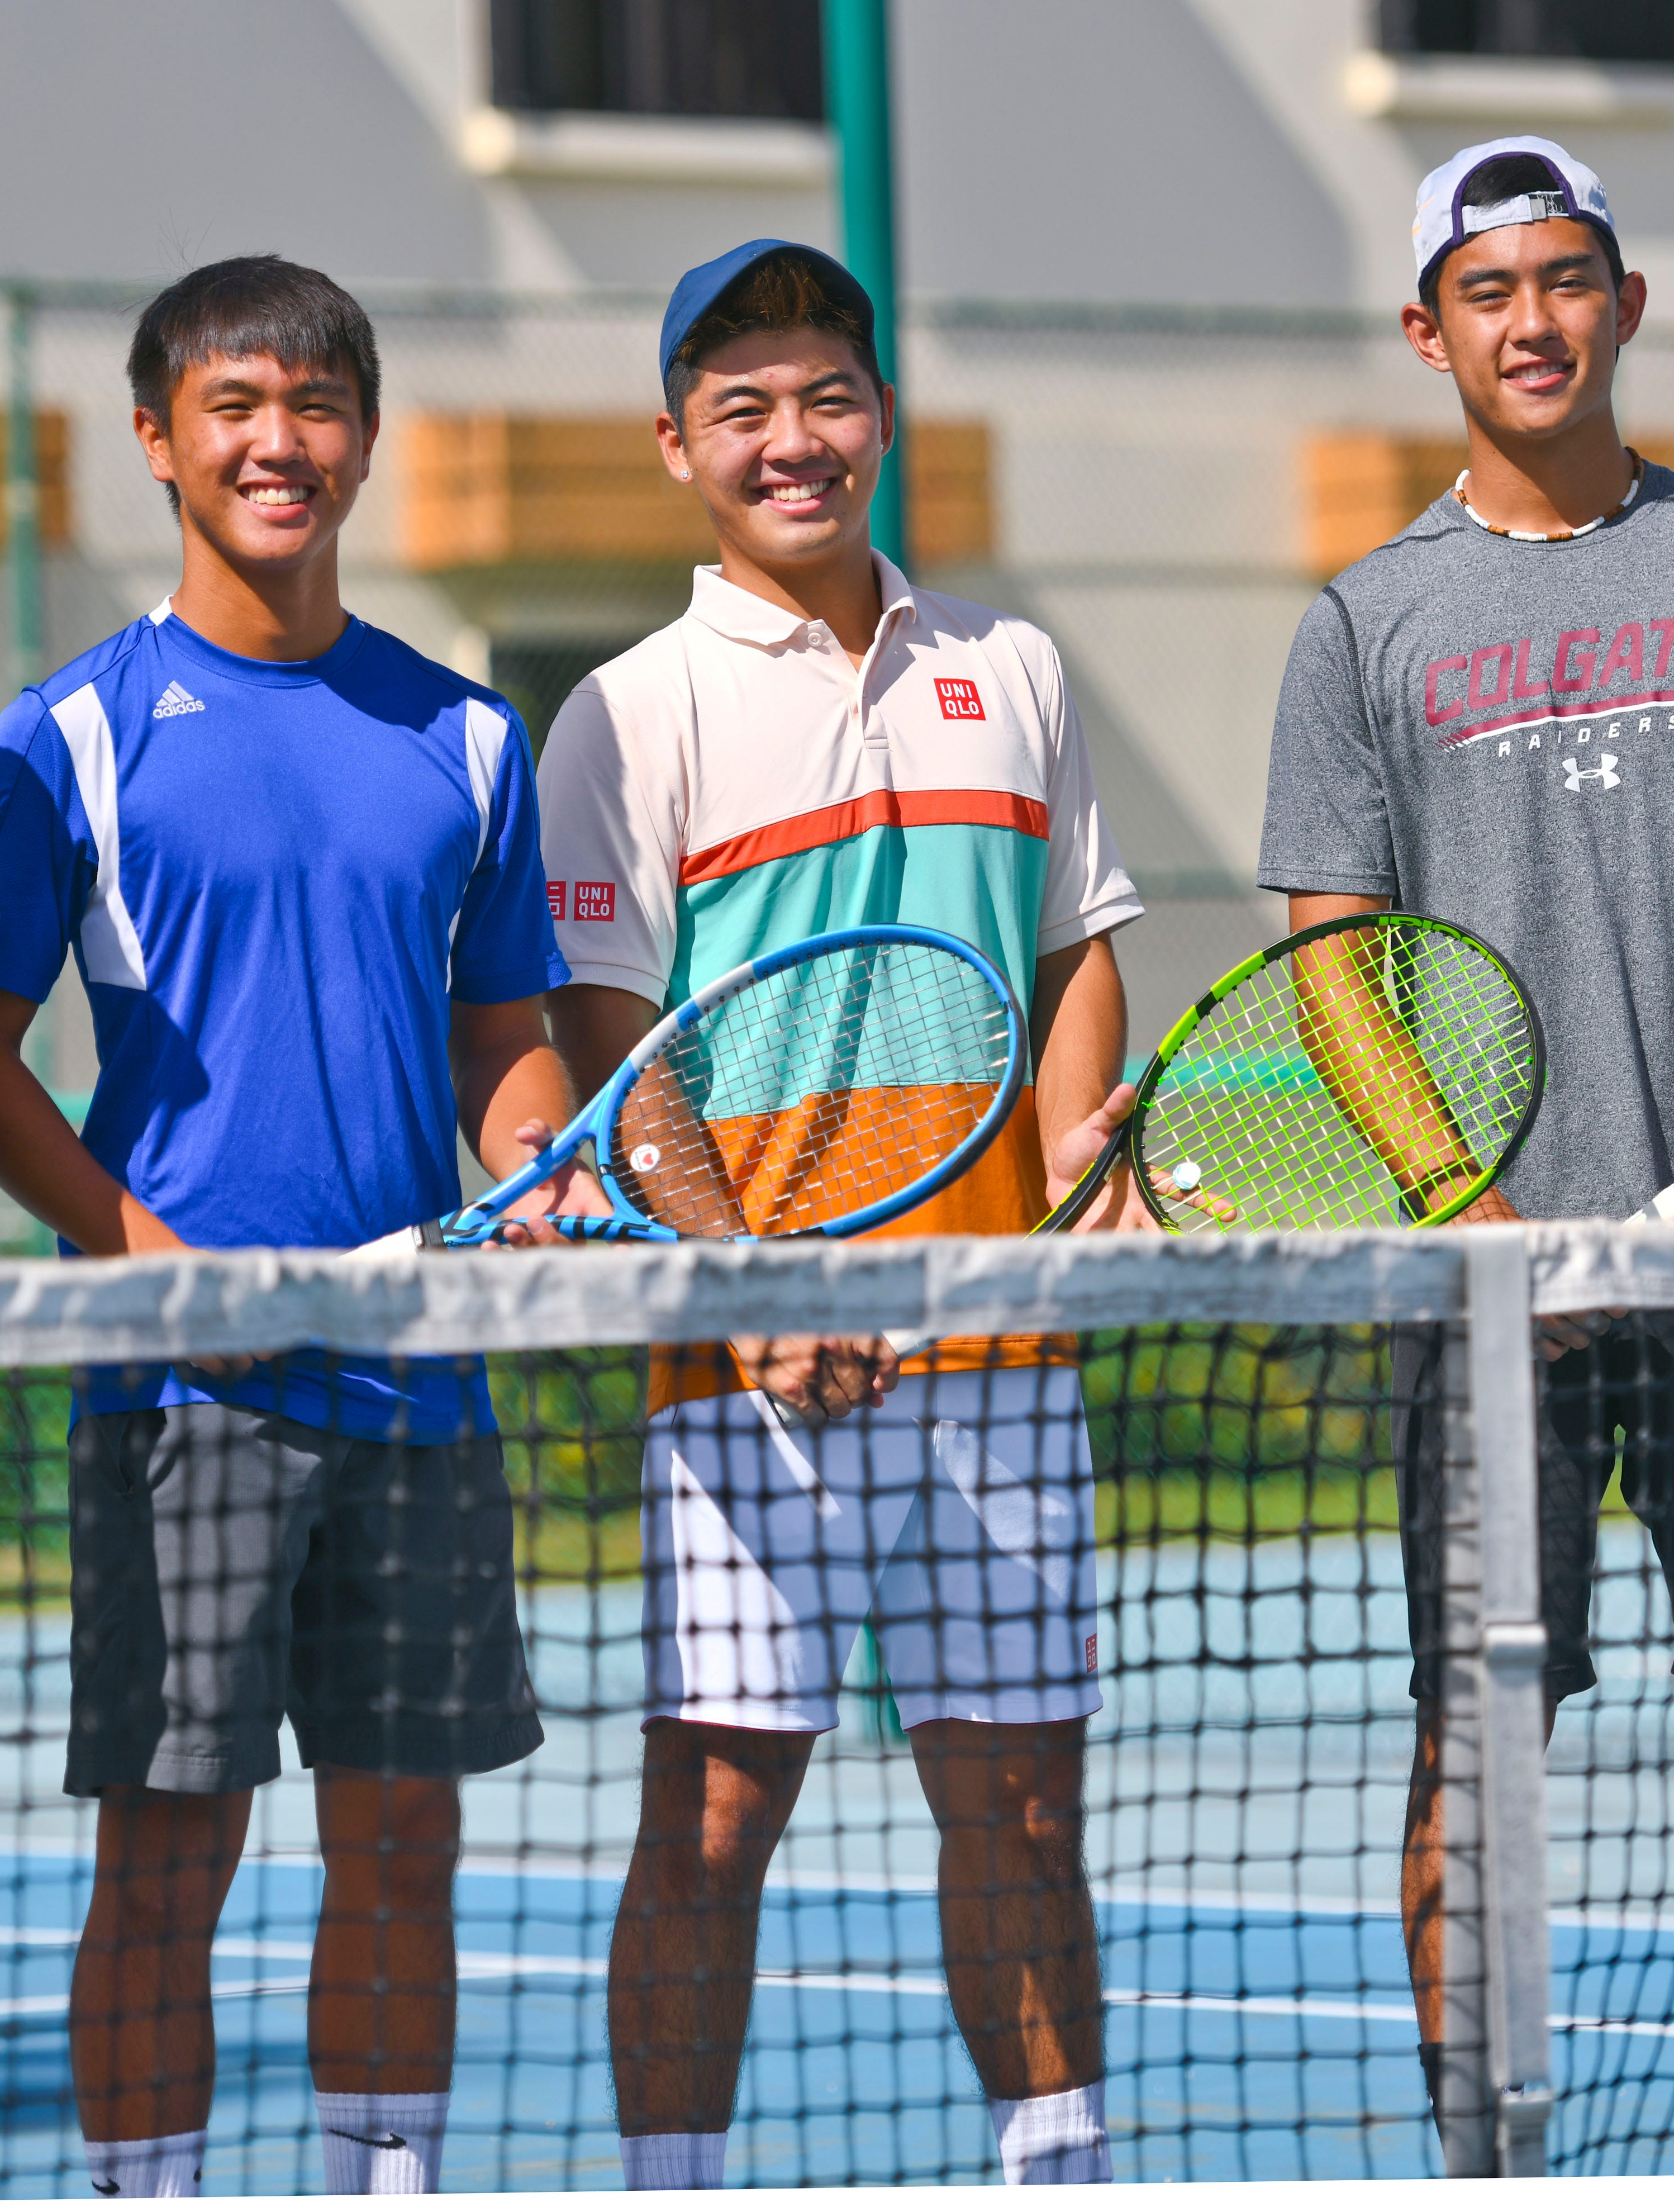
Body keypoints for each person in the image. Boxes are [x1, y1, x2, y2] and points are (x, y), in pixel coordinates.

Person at [1253, 138, 1674, 2172]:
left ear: (1623, 304)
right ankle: (1479, 2165)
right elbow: (1332, 963)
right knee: (1476, 1749)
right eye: (1489, 290)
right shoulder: (1364, 622)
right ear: (1429, 331)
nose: (1532, 323)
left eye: (1567, 281)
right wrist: (1476, 1215)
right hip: (1490, 1291)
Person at [0, 255, 595, 2200]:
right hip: (179, 1398)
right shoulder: (60, 740)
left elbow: (512, 1048)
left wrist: (543, 1167)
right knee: (169, 1852)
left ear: (366, 442)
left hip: (420, 1391)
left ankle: (377, 2181)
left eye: (316, 406)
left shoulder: (469, 737)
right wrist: (147, 1259)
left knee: (405, 1847)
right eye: (235, 405)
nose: (278, 442)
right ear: (157, 442)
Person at [537, 240, 1147, 2191]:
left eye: (827, 398)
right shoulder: (624, 718)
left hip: (996, 1341)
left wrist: (1078, 1187)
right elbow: (624, 1061)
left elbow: (1073, 963)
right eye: (744, 411)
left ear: (879, 417)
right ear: (677, 450)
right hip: (744, 1371)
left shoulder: (1017, 666)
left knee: (1021, 1805)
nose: (792, 442)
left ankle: (1058, 2170)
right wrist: (753, 1288)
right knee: (715, 1815)